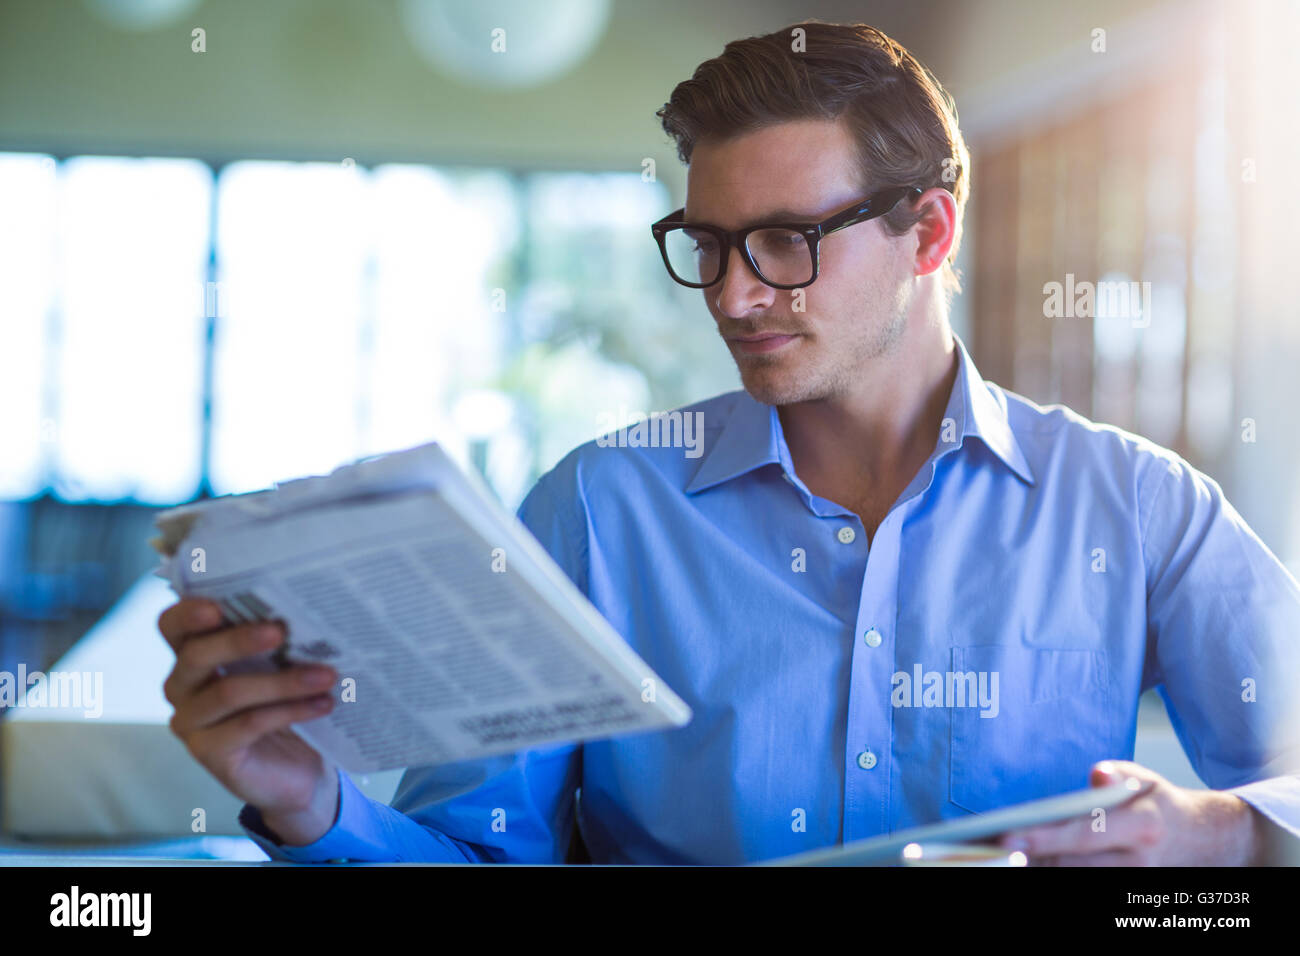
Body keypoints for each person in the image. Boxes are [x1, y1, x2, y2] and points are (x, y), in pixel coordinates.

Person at [157, 21, 1300, 865]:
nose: (735, 295)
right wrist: (311, 801)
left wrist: (1217, 835)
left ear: (928, 230)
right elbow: (483, 854)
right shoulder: (600, 510)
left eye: (785, 242)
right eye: (707, 244)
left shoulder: (1136, 508)